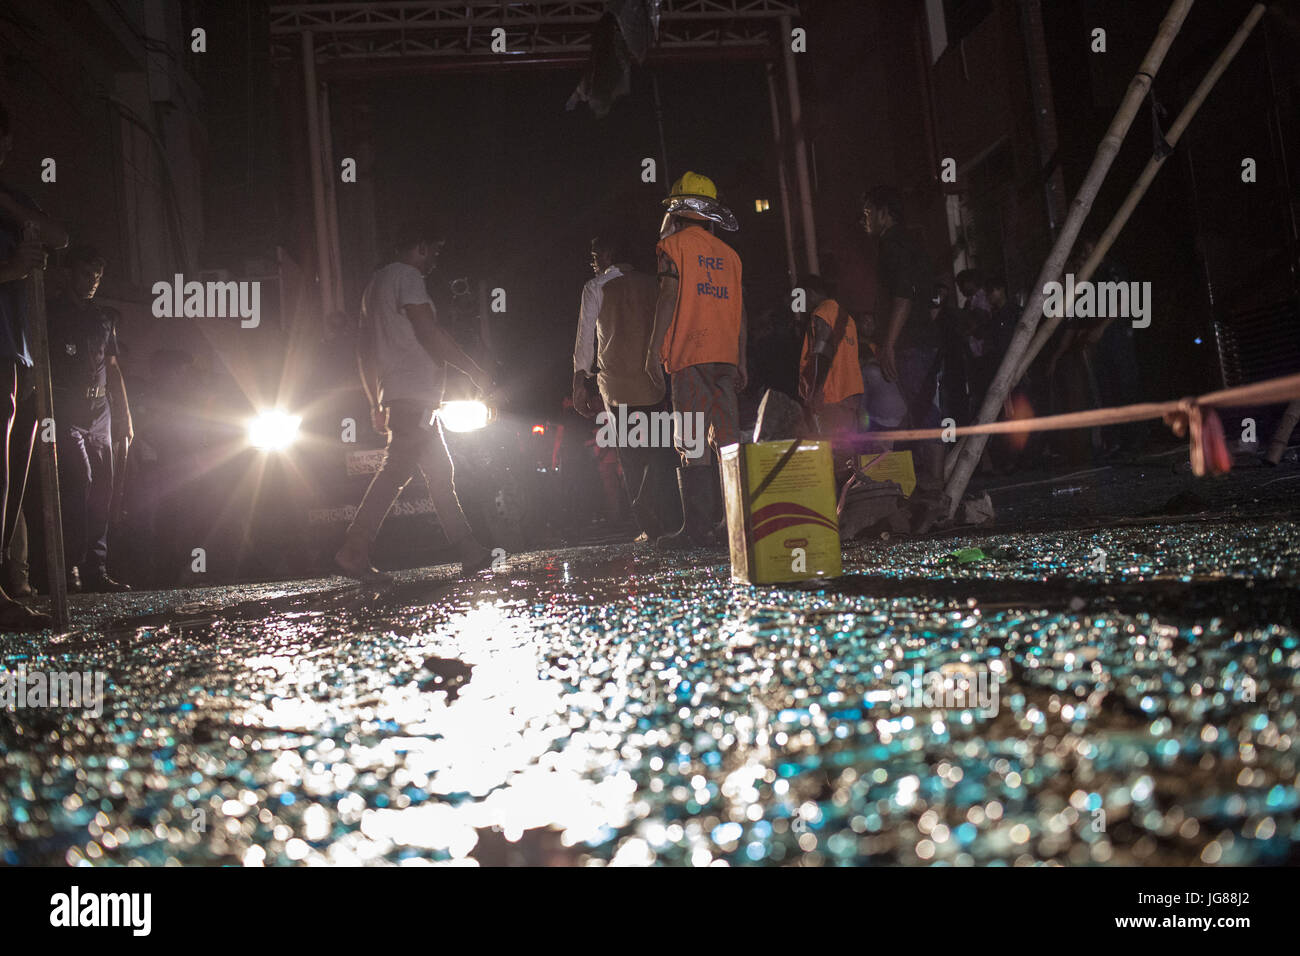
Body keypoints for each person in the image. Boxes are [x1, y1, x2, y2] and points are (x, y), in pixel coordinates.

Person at [335, 220, 495, 580]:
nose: (436, 258)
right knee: (395, 472)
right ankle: (352, 552)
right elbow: (428, 331)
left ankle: (470, 551)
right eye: (435, 250)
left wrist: (375, 400)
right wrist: (472, 370)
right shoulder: (407, 276)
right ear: (421, 247)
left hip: (402, 396)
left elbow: (363, 351)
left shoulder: (374, 286)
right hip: (414, 396)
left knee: (440, 472)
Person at [646, 172, 746, 549]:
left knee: (692, 443)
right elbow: (741, 311)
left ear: (678, 209)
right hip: (726, 357)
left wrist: (653, 351)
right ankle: (732, 526)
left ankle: (697, 530)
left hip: (691, 355)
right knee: (728, 442)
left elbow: (668, 297)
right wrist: (743, 359)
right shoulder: (731, 256)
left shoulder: (672, 246)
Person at [0, 101, 68, 630]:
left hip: (16, 348)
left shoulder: (13, 202)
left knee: (14, 472)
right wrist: (9, 269)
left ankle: (4, 576)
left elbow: (57, 236)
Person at [45, 245, 132, 592]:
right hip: (66, 408)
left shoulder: (104, 317)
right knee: (79, 482)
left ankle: (96, 568)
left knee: (104, 487)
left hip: (101, 412)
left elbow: (112, 368)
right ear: (68, 274)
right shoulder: (50, 312)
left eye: (97, 276)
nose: (93, 281)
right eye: (86, 274)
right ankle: (70, 567)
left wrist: (125, 415)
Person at [859, 185, 944, 531]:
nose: (862, 219)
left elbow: (905, 295)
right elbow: (930, 298)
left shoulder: (891, 244)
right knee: (923, 412)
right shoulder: (914, 244)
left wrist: (890, 343)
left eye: (867, 212)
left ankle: (932, 492)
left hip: (910, 346)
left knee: (923, 414)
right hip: (922, 342)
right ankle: (927, 490)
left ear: (883, 212)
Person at [587, 228, 677, 542]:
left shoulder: (597, 289)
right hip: (649, 380)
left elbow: (584, 342)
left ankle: (646, 524)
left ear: (610, 255)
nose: (594, 263)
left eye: (597, 257)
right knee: (658, 449)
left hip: (615, 386)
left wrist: (579, 382)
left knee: (629, 453)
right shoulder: (652, 284)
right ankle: (657, 509)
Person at [796, 274, 863, 448]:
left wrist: (815, 391)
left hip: (830, 396)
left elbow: (822, 354)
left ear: (809, 293)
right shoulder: (846, 317)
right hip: (849, 396)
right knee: (847, 456)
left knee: (831, 456)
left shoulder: (822, 313)